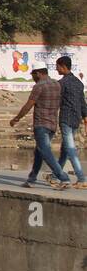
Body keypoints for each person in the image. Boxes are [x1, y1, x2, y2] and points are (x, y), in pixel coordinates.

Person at [10, 63, 71, 190]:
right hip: (52, 124)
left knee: (45, 151)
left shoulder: (39, 86)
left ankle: (63, 178)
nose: (33, 77)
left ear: (38, 73)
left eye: (33, 74)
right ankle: (31, 179)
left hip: (41, 124)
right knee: (39, 151)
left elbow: (29, 105)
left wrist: (16, 118)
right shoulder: (56, 84)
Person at [54, 55, 86, 188]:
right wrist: (85, 118)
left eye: (57, 67)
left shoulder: (61, 84)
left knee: (70, 149)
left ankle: (81, 178)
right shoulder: (79, 83)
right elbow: (82, 103)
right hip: (76, 119)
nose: (56, 69)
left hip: (66, 119)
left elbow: (57, 102)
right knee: (65, 149)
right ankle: (55, 175)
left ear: (63, 66)